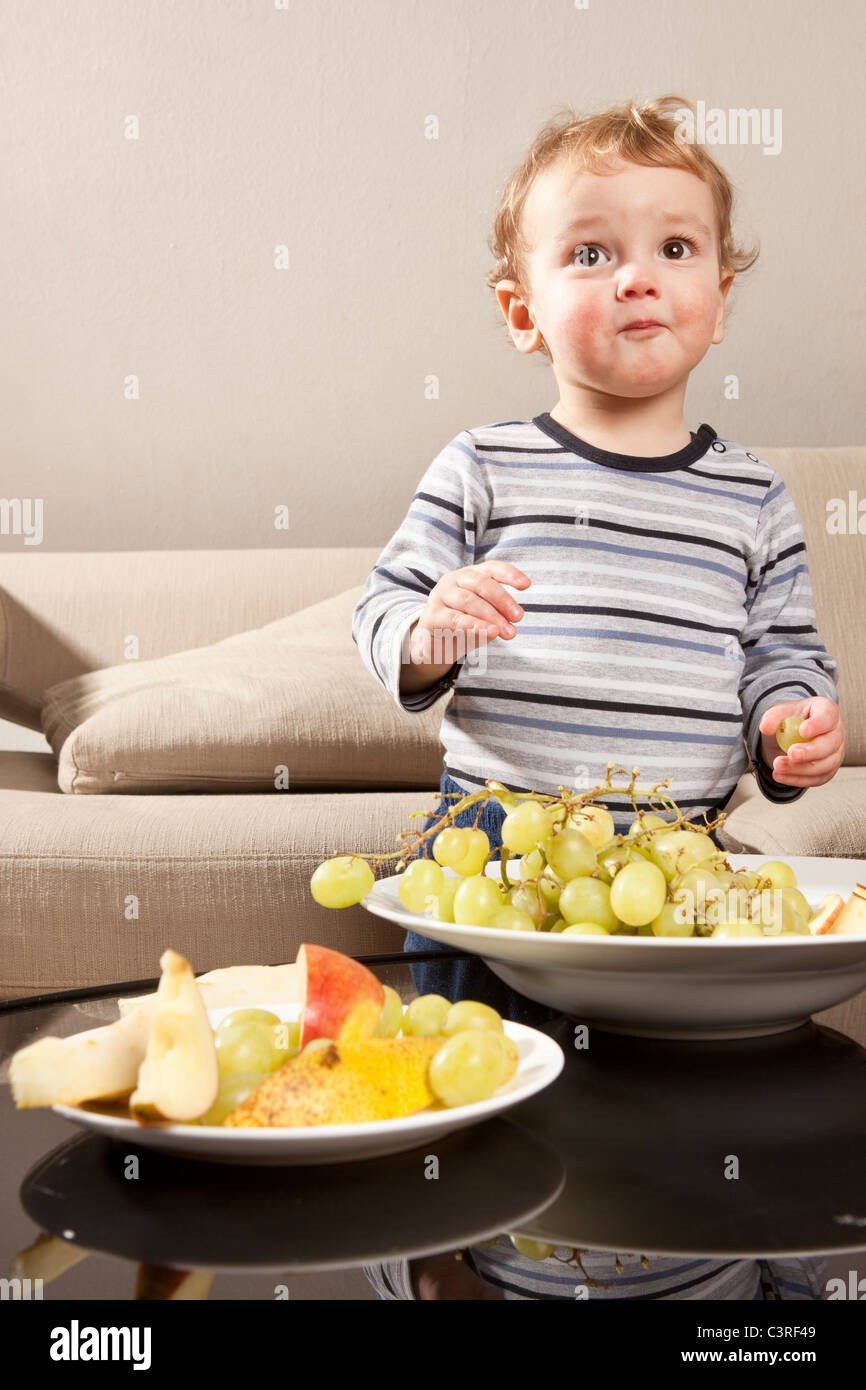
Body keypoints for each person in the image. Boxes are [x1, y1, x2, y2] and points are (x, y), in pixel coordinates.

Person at [353, 95, 845, 1298]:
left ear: (718, 297)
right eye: (590, 251)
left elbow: (782, 657)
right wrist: (431, 628)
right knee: (466, 1099)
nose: (637, 278)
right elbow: (380, 615)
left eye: (673, 249)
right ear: (521, 311)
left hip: (676, 867)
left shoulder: (751, 499)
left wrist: (792, 726)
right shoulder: (480, 464)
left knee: (676, 1112)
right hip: (497, 866)